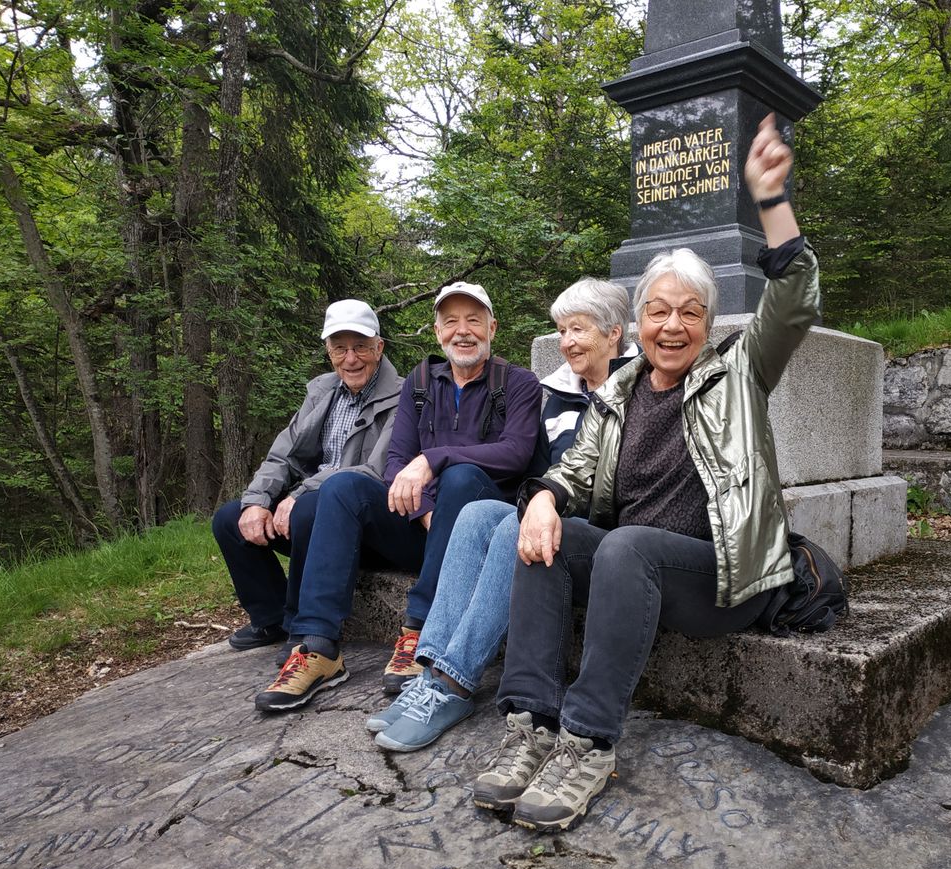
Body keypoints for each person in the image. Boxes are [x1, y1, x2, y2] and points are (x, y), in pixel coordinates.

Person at [470, 113, 823, 832]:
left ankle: (589, 742)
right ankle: (529, 726)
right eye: (658, 310)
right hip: (637, 573)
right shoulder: (618, 395)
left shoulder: (738, 375)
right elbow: (573, 469)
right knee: (547, 533)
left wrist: (771, 201)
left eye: (689, 313)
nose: (671, 326)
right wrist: (541, 499)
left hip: (724, 579)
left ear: (710, 323)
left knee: (629, 544)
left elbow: (794, 304)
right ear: (637, 324)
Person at [363, 278, 636, 751]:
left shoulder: (639, 390)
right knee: (474, 515)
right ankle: (429, 672)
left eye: (579, 329)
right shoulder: (559, 397)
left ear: (614, 334)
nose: (567, 342)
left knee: (515, 520)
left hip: (607, 532)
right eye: (562, 331)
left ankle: (454, 683)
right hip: (557, 516)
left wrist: (541, 506)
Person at [252, 282, 542, 712]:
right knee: (342, 486)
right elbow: (395, 461)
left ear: (492, 328)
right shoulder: (422, 383)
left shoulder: (518, 383)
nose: (462, 331)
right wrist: (426, 506)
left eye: (474, 320)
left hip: (482, 530)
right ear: (437, 331)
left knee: (461, 477)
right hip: (421, 526)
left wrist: (434, 459)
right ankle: (316, 645)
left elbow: (516, 453)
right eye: (451, 322)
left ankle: (420, 630)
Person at [212, 299, 402, 656]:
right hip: (311, 502)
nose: (351, 358)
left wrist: (300, 493)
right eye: (339, 348)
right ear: (328, 350)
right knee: (229, 519)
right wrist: (257, 502)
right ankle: (270, 618)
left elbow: (377, 471)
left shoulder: (403, 396)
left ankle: (304, 625)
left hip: (362, 517)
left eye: (361, 346)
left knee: (310, 508)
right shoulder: (321, 391)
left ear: (379, 347)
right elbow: (282, 454)